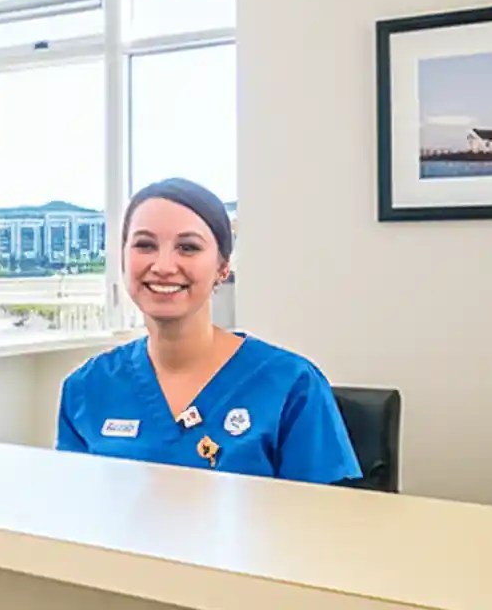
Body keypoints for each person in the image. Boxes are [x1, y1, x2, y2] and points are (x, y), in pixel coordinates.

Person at [56, 178, 361, 485]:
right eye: (145, 245)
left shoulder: (292, 385)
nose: (163, 266)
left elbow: (326, 522)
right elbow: (75, 513)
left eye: (188, 248)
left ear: (222, 267)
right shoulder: (86, 390)